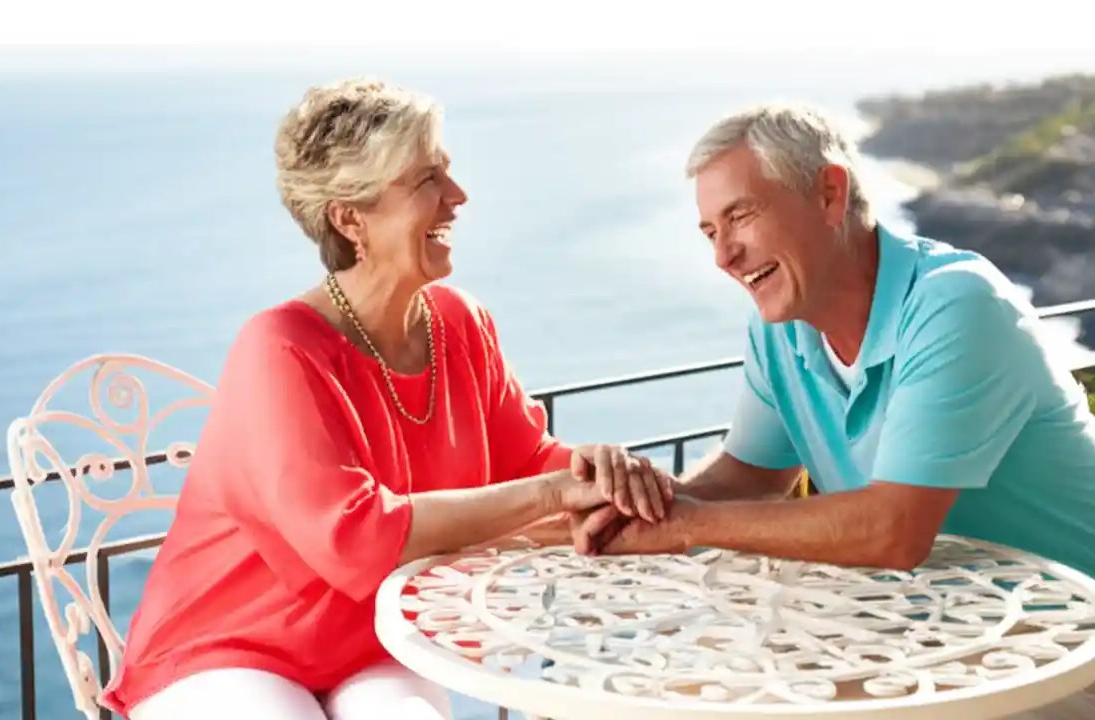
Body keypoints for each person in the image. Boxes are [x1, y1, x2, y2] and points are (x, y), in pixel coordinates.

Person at [101, 78, 670, 720]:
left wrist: (597, 474)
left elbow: (526, 457)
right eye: (428, 179)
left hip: (375, 634)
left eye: (447, 173)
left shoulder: (459, 321)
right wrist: (552, 494)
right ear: (351, 219)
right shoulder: (280, 347)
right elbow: (355, 539)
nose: (457, 198)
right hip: (230, 645)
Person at [571, 102, 1095, 718]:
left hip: (1063, 647)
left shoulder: (956, 305)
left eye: (740, 215)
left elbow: (892, 530)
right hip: (925, 628)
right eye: (710, 231)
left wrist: (683, 524)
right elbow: (750, 478)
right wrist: (640, 500)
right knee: (668, 689)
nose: (724, 257)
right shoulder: (782, 329)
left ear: (828, 193)